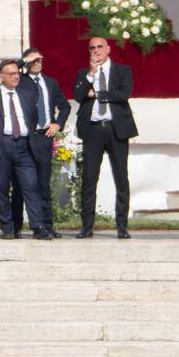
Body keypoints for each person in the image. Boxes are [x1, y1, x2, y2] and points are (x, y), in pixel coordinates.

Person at [0, 59, 47, 241]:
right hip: (0, 147)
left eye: (17, 73)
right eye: (11, 73)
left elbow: (32, 118)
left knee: (30, 186)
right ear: (1, 76)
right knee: (0, 188)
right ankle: (7, 228)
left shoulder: (27, 95)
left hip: (23, 146)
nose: (16, 76)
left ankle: (38, 226)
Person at [73, 36, 136, 240]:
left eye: (100, 47)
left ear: (108, 49)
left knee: (121, 179)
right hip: (93, 130)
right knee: (89, 179)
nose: (96, 51)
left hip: (115, 128)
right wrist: (91, 74)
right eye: (92, 48)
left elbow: (124, 93)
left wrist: (99, 94)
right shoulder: (84, 73)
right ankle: (87, 227)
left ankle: (122, 226)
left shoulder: (122, 70)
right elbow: (78, 95)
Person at [15, 48, 70, 237]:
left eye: (40, 59)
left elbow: (65, 106)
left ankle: (47, 225)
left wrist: (58, 123)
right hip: (26, 137)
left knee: (43, 183)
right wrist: (23, 61)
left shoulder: (50, 83)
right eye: (34, 60)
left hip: (44, 136)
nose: (38, 63)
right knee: (24, 182)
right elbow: (11, 69)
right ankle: (17, 225)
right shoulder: (19, 81)